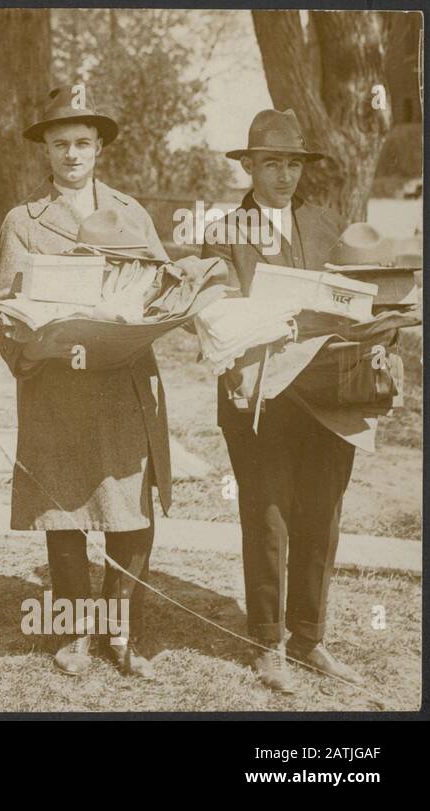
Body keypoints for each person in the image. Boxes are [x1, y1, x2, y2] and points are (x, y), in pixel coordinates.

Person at [0, 84, 171, 680]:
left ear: (99, 150)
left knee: (129, 509)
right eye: (61, 143)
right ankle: (72, 634)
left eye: (83, 144)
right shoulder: (24, 220)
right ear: (45, 149)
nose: (72, 154)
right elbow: (2, 308)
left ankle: (125, 631)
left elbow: (163, 289)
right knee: (63, 510)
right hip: (57, 383)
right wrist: (26, 340)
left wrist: (151, 315)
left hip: (122, 381)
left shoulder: (132, 212)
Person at [201, 109, 355, 693]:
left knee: (323, 512)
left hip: (328, 394)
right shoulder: (222, 230)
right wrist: (282, 320)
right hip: (258, 396)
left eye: (293, 163)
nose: (284, 175)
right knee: (267, 515)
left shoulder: (325, 224)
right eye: (272, 163)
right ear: (250, 166)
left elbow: (356, 295)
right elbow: (214, 314)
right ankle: (268, 642)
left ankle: (310, 637)